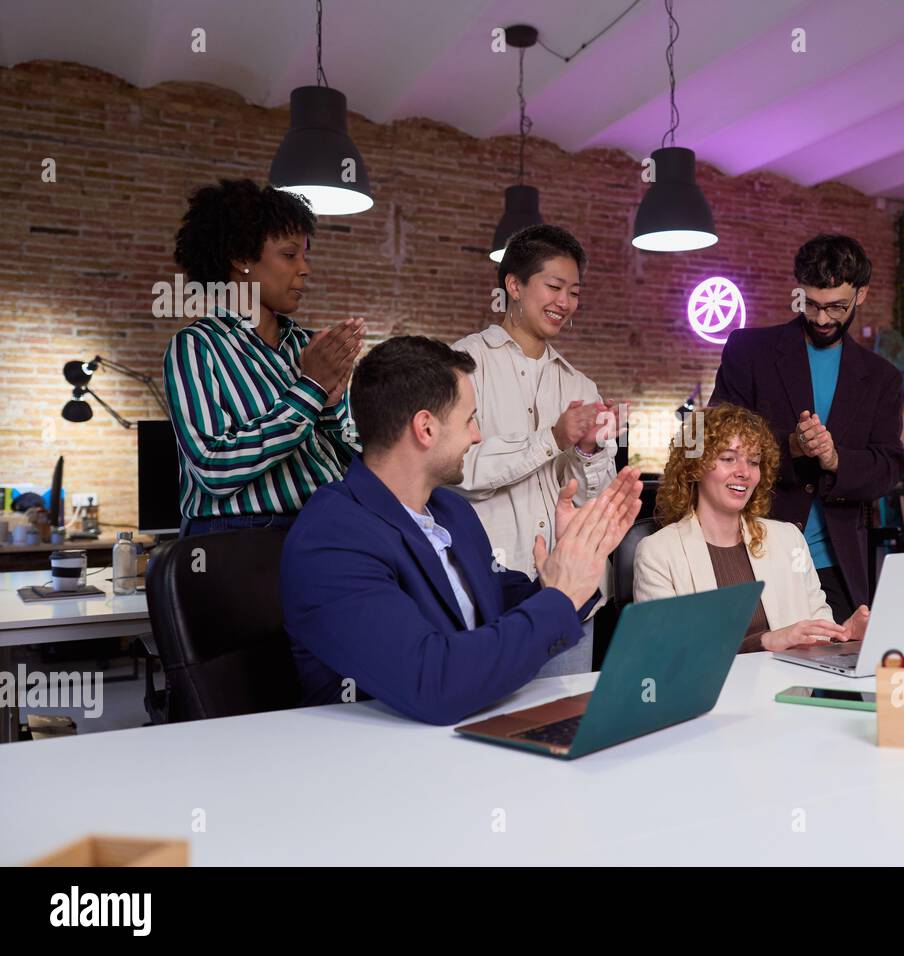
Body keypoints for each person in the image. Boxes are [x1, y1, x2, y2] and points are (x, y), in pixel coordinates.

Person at [280, 336, 643, 726]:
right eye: (470, 419)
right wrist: (560, 596)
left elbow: (499, 604)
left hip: (463, 740)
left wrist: (568, 569)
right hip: (374, 765)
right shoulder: (332, 537)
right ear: (426, 428)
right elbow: (433, 684)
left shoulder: (451, 511)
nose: (477, 435)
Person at [709, 234, 904, 621]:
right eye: (811, 304)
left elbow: (888, 467)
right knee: (757, 676)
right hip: (751, 550)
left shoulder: (881, 377)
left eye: (836, 307)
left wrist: (836, 460)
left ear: (861, 295)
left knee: (840, 679)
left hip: (837, 564)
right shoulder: (749, 351)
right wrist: (790, 447)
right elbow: (713, 441)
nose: (821, 319)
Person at [451, 224, 617, 676]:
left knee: (564, 722)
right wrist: (553, 439)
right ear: (514, 286)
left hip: (569, 594)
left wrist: (588, 455)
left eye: (575, 292)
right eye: (554, 286)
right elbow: (457, 474)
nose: (565, 303)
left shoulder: (581, 385)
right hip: (489, 590)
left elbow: (592, 499)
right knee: (486, 723)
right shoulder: (462, 366)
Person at [163, 179, 365, 536]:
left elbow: (359, 461)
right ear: (241, 257)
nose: (305, 269)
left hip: (324, 528)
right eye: (289, 255)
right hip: (240, 540)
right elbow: (214, 470)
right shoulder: (197, 346)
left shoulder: (307, 345)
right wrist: (310, 388)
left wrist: (332, 407)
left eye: (306, 255)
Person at [634, 403, 869, 653]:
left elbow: (816, 631)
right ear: (694, 467)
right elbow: (665, 653)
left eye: (754, 461)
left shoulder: (789, 539)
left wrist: (845, 634)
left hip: (785, 690)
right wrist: (765, 641)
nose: (744, 472)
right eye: (728, 459)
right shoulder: (657, 552)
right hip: (712, 693)